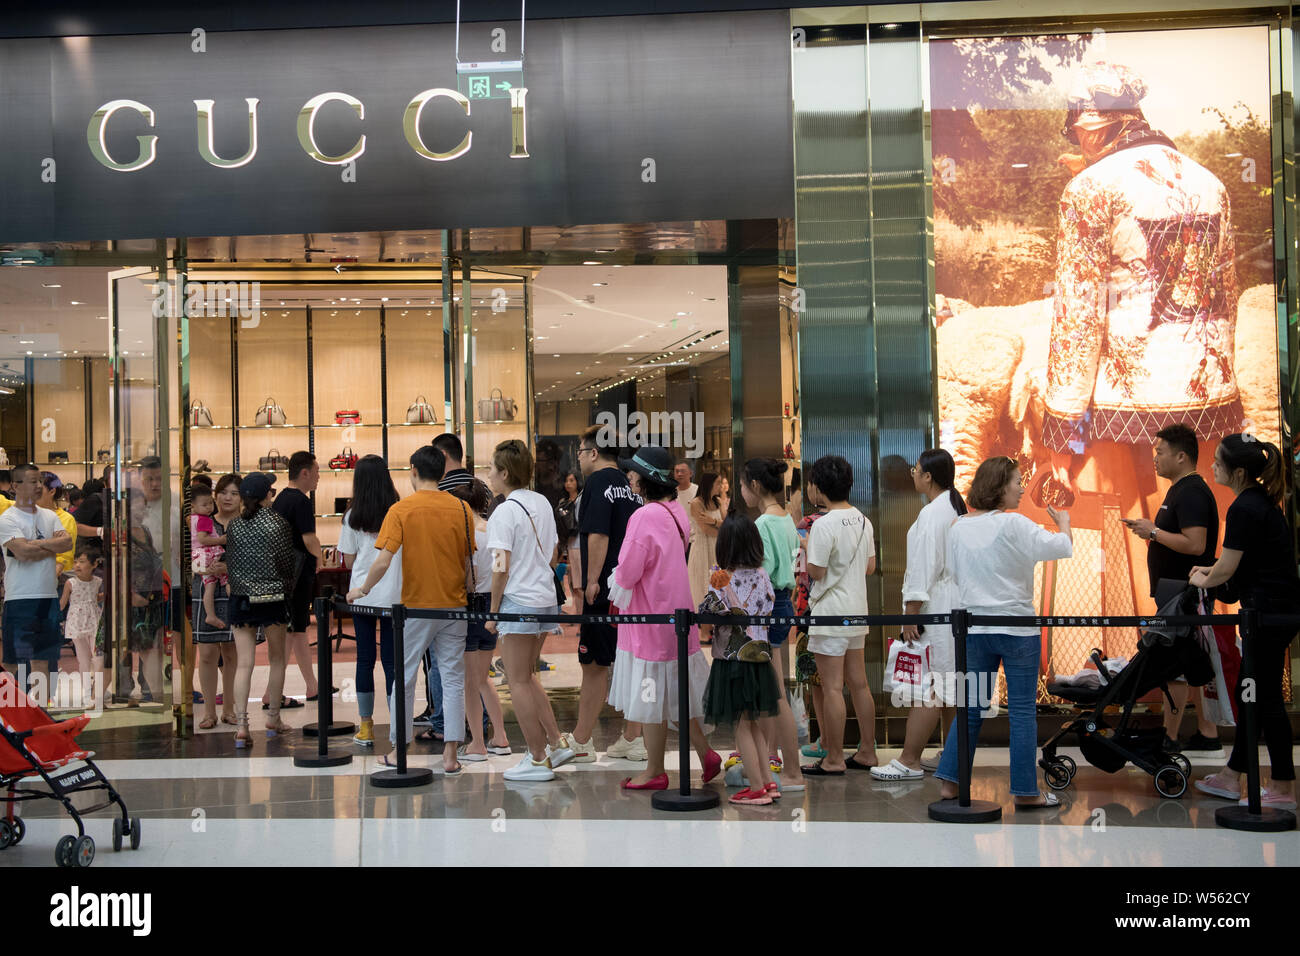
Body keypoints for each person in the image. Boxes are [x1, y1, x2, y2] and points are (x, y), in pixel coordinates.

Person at [1044, 63, 1242, 608]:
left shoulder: (1090, 189)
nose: (1075, 141)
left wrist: (1062, 422)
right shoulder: (1212, 183)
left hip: (1123, 404)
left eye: (1076, 129)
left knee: (1118, 547)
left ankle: (1123, 660)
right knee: (1211, 542)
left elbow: (1078, 314)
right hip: (1206, 396)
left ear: (1091, 122)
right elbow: (1225, 296)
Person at [934, 456, 1073, 809]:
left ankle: (950, 782)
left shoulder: (958, 527)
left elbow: (952, 572)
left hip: (974, 629)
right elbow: (1061, 548)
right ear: (999, 486)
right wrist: (1065, 524)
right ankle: (1025, 791)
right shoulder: (1016, 525)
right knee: (1023, 712)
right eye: (1016, 481)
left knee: (970, 708)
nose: (1022, 488)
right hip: (1017, 628)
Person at [347, 445, 473, 775]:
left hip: (416, 606)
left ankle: (398, 748)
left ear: (413, 471)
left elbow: (383, 561)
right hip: (455, 604)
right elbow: (467, 558)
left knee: (403, 678)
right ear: (443, 473)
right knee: (452, 677)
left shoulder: (402, 510)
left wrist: (362, 590)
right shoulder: (461, 509)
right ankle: (450, 753)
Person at [1190, 435, 1298, 810]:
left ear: (1238, 471)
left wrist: (1201, 578)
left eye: (1218, 462)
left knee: (1261, 698)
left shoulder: (1244, 509)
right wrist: (1212, 573)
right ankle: (1238, 777)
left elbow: (1227, 570)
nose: (1212, 466)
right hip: (1271, 612)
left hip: (1267, 617)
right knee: (1255, 695)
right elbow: (1241, 568)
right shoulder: (1259, 504)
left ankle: (1278, 787)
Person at [606, 446, 719, 790]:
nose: (629, 477)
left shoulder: (643, 516)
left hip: (648, 619)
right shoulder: (674, 511)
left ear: (643, 480)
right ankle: (704, 752)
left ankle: (655, 770)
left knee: (651, 696)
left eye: (633, 473)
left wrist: (614, 584)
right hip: (675, 614)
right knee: (676, 690)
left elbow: (628, 570)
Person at [1121, 423, 1223, 756]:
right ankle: (1207, 733)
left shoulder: (1191, 491)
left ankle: (1170, 735)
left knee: (1176, 665)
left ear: (1181, 456)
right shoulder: (1180, 489)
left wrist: (1153, 533)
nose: (1154, 458)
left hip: (1185, 597)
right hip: (1175, 596)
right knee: (1190, 663)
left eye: (1160, 452)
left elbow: (1196, 545)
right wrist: (1151, 531)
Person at [872, 449, 965, 781]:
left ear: (928, 476)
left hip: (935, 608)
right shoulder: (955, 506)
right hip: (955, 606)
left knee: (931, 687)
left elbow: (923, 566)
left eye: (917, 470)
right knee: (952, 686)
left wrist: (911, 612)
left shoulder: (932, 514)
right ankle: (954, 756)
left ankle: (909, 759)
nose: (913, 474)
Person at [483, 440, 573, 780]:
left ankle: (537, 757)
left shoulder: (504, 511)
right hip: (545, 598)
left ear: (505, 472)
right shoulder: (542, 503)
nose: (489, 475)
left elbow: (500, 565)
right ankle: (556, 741)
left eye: (492, 469)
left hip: (518, 600)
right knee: (528, 675)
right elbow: (552, 552)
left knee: (516, 679)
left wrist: (493, 611)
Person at [564, 424, 645, 762]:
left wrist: (593, 579)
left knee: (594, 663)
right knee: (629, 661)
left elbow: (597, 534)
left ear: (593, 453)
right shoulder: (630, 486)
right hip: (629, 588)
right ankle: (633, 736)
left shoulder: (598, 481)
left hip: (606, 589)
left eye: (581, 453)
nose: (580, 460)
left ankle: (582, 740)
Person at [799, 455, 878, 776]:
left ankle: (833, 758)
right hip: (858, 610)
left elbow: (816, 572)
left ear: (818, 487)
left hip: (830, 613)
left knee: (832, 687)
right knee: (859, 684)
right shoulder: (863, 520)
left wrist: (805, 547)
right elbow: (870, 567)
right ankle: (868, 752)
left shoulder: (824, 524)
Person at [702, 513, 784, 805]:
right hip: (760, 657)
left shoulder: (721, 577)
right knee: (754, 724)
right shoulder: (762, 575)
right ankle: (766, 782)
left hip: (732, 657)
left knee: (740, 726)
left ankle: (757, 788)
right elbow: (770, 604)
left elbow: (711, 611)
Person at [739, 457, 805, 791]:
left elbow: (758, 577)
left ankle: (791, 771)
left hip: (767, 607)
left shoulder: (764, 524)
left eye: (742, 484)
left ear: (754, 486)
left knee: (776, 694)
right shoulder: (787, 521)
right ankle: (773, 758)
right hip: (784, 603)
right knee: (775, 690)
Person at [225, 473, 299, 748]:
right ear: (267, 495)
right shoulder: (277, 524)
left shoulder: (234, 526)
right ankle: (273, 717)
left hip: (241, 599)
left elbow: (231, 562)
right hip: (272, 597)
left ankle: (242, 725)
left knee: (244, 663)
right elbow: (286, 563)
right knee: (277, 658)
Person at [337, 456, 401, 748]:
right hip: (394, 595)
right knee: (392, 662)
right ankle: (397, 726)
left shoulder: (352, 516)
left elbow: (348, 559)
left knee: (365, 660)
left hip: (361, 593)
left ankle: (366, 726)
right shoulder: (399, 511)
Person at [450, 478, 512, 761]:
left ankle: (477, 743)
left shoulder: (467, 533)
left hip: (471, 605)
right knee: (484, 678)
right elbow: (502, 568)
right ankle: (500, 736)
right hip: (493, 604)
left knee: (470, 682)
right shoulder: (493, 530)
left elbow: (467, 578)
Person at [0, 464, 72, 704]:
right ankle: (14, 715)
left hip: (47, 597)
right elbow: (21, 552)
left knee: (44, 658)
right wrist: (48, 545)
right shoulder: (7, 519)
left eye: (40, 481)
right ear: (15, 486)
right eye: (32, 481)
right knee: (15, 662)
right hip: (19, 598)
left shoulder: (50, 516)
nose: (39, 486)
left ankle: (42, 712)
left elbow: (67, 543)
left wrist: (35, 546)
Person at [269, 451, 321, 708]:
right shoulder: (300, 502)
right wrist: (321, 559)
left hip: (286, 574)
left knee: (299, 630)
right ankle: (271, 693)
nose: (318, 478)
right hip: (297, 576)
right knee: (291, 631)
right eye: (317, 472)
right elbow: (309, 539)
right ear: (305, 473)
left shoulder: (281, 500)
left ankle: (312, 686)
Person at [193, 474, 241, 729]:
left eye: (234, 493)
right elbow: (189, 554)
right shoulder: (203, 523)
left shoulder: (245, 525)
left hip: (233, 587)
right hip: (206, 587)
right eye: (223, 492)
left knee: (232, 652)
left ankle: (230, 709)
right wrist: (204, 567)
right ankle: (209, 712)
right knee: (208, 652)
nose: (227, 498)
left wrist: (228, 567)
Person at [60, 545, 103, 707]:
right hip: (77, 623)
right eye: (76, 561)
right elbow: (62, 603)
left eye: (82, 562)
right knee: (83, 660)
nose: (77, 565)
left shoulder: (98, 582)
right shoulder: (70, 583)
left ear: (94, 565)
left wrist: (101, 597)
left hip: (95, 621)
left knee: (98, 658)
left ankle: (97, 690)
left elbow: (95, 597)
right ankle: (86, 693)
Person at [687, 472, 725, 621]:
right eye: (717, 483)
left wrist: (713, 521)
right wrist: (718, 526)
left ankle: (716, 625)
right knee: (701, 587)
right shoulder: (696, 503)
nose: (720, 486)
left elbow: (728, 524)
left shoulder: (719, 502)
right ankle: (704, 629)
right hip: (702, 549)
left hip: (717, 549)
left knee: (718, 586)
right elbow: (705, 530)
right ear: (709, 484)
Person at [189, 485, 227, 629]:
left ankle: (210, 615)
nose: (209, 507)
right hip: (207, 553)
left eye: (211, 503)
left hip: (197, 556)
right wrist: (221, 540)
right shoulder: (204, 519)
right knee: (226, 577)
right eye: (204, 504)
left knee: (209, 586)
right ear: (193, 505)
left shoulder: (191, 518)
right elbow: (203, 539)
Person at [38, 472, 77, 582]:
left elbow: (64, 556)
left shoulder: (66, 519)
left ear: (52, 491)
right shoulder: (27, 515)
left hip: (58, 580)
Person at [554, 470, 582, 611]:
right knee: (570, 584)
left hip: (578, 545)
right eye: (566, 481)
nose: (568, 484)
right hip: (566, 545)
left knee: (578, 585)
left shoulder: (581, 500)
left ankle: (581, 620)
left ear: (578, 481)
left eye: (572, 480)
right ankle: (577, 617)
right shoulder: (563, 503)